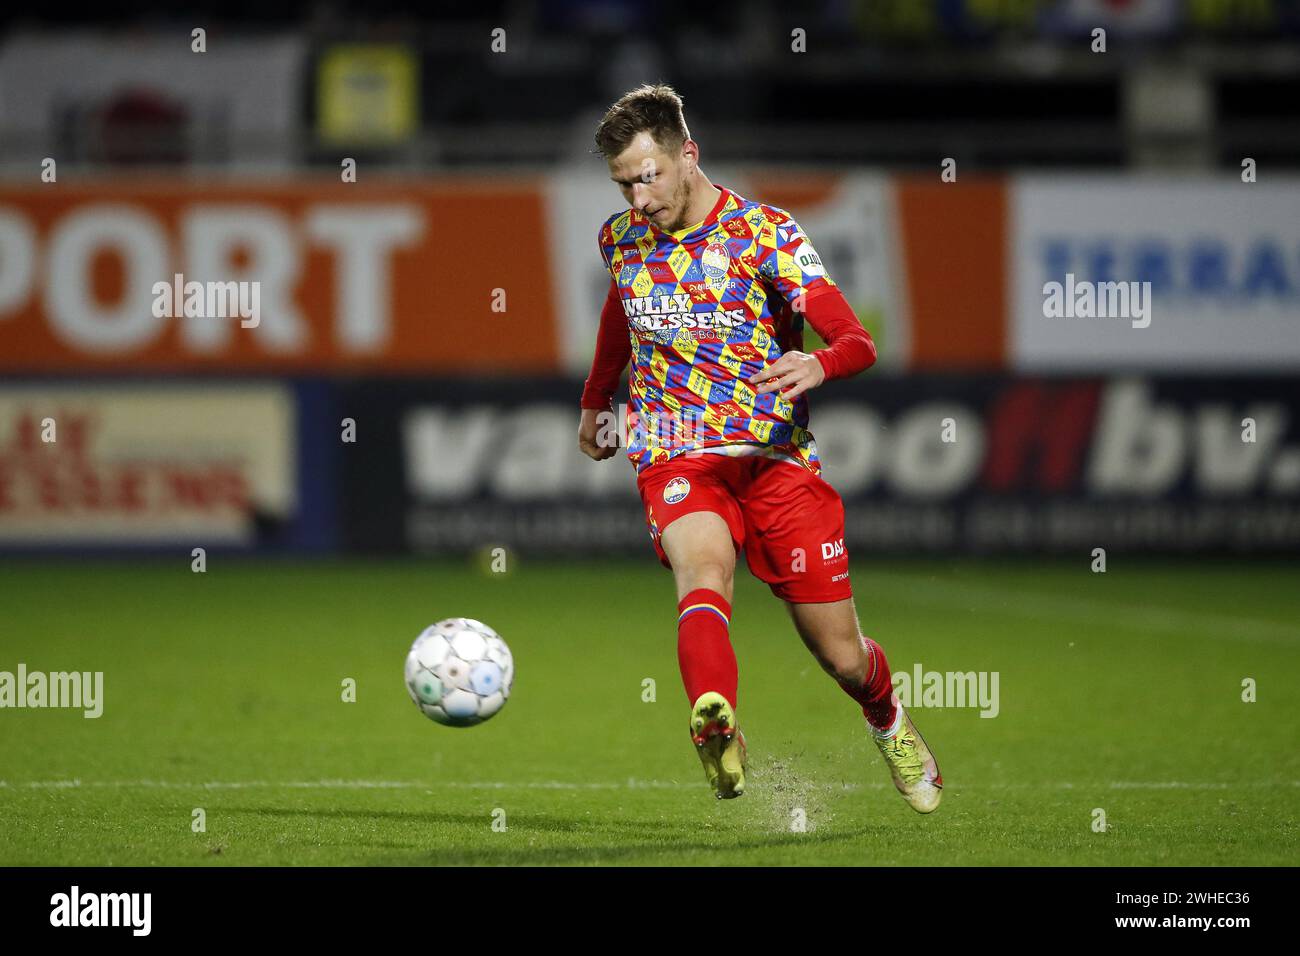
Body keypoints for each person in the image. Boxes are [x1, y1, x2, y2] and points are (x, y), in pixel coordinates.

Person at [577, 84, 941, 812]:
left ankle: (886, 717)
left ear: (688, 154)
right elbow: (621, 316)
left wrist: (820, 363)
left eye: (647, 176)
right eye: (623, 183)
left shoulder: (765, 233)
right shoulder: (621, 240)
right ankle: (715, 718)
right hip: (675, 450)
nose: (637, 198)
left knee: (840, 655)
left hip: (775, 460)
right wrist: (596, 399)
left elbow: (858, 340)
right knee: (703, 569)